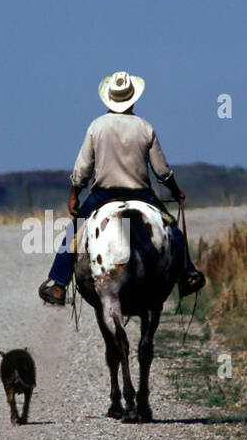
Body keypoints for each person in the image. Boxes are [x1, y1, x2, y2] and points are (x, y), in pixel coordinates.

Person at [38, 71, 206, 306]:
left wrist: (74, 194)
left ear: (108, 98)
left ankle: (58, 284)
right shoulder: (145, 127)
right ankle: (188, 274)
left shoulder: (97, 127)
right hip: (141, 194)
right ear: (133, 99)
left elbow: (83, 169)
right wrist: (175, 190)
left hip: (104, 195)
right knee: (172, 230)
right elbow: (162, 170)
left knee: (73, 233)